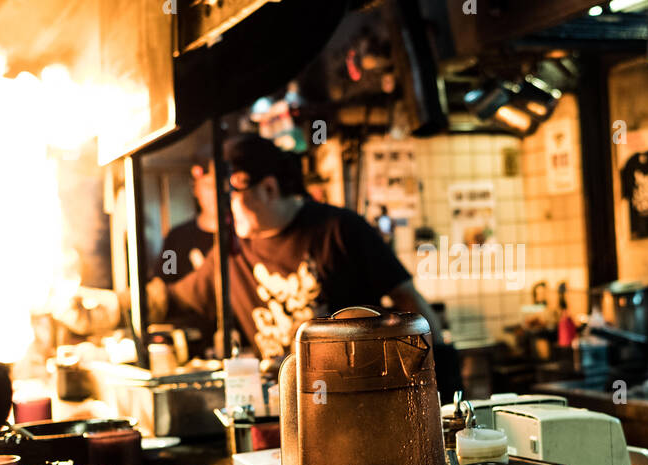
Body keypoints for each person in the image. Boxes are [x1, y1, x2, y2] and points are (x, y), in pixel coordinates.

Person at [148, 134, 460, 394]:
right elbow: (174, 297)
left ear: (269, 188)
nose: (223, 207)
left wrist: (434, 384)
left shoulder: (340, 230)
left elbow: (410, 304)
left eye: (231, 195)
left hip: (358, 398)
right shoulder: (231, 251)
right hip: (287, 407)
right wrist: (110, 306)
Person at [151, 151, 218, 283]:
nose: (216, 192)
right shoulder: (176, 238)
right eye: (209, 185)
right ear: (195, 188)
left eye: (222, 184)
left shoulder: (242, 235)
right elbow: (163, 284)